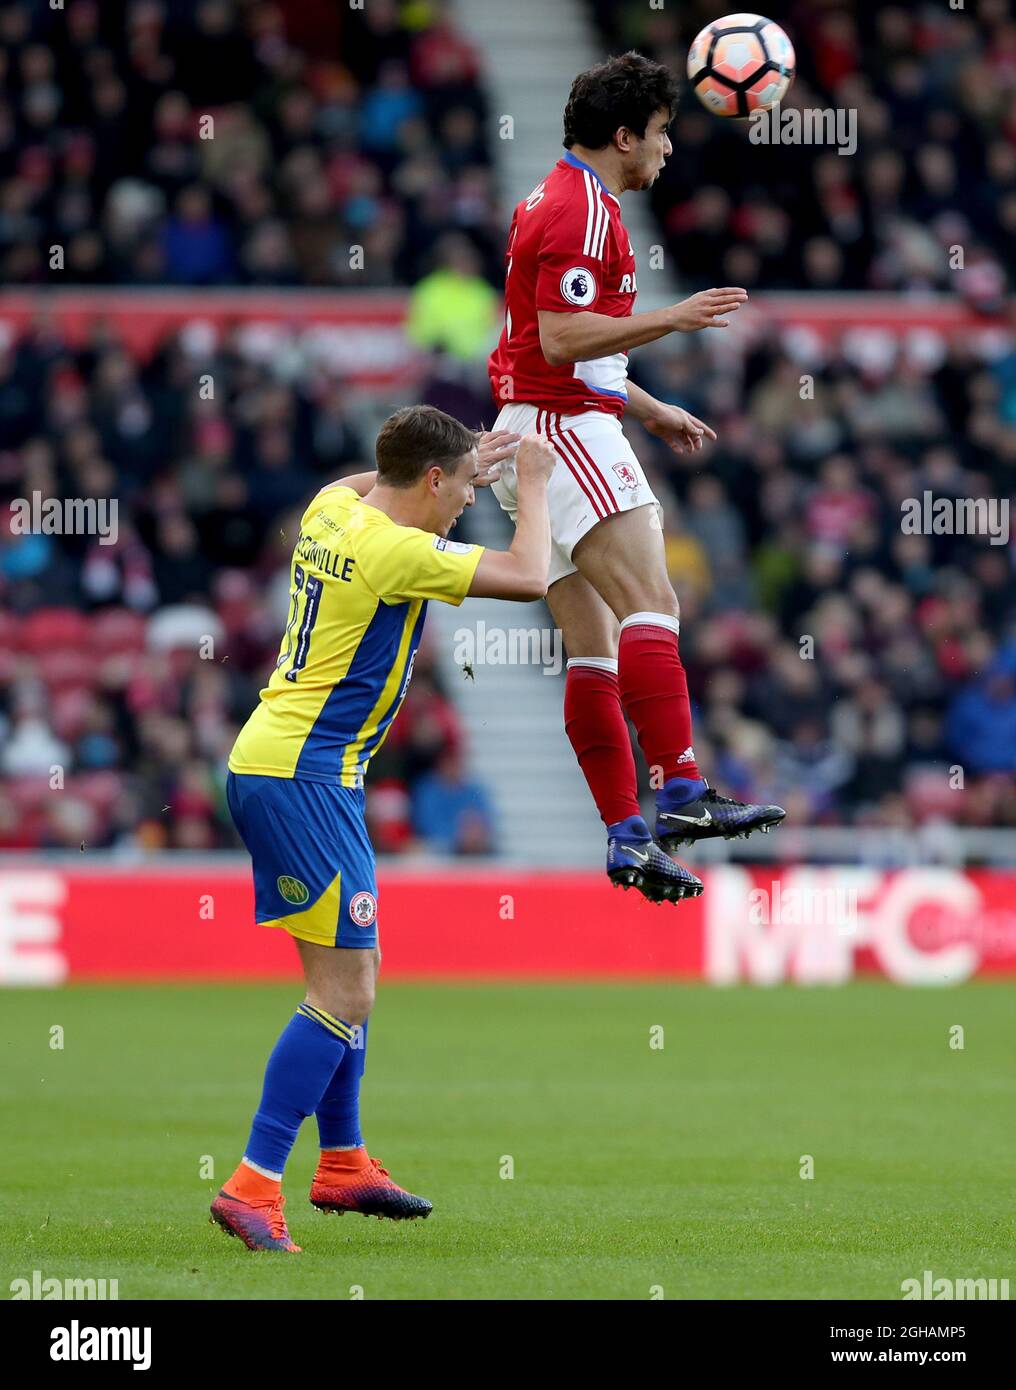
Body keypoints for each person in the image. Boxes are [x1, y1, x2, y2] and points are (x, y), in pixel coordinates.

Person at [211, 406, 553, 1252]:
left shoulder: (334, 513)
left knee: (347, 977)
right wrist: (533, 486)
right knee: (347, 990)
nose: (469, 501)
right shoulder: (395, 551)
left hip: (282, 764)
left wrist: (468, 452)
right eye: (466, 486)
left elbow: (357, 481)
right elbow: (530, 575)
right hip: (304, 777)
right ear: (431, 481)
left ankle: (345, 1164)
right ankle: (253, 1185)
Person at [487, 52, 785, 903]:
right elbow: (560, 339)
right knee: (654, 603)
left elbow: (548, 340)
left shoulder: (556, 196)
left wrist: (647, 407)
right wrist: (676, 320)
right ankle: (684, 791)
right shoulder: (584, 212)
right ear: (623, 138)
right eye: (659, 136)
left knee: (592, 651)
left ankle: (626, 837)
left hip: (535, 432)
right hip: (564, 429)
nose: (667, 152)